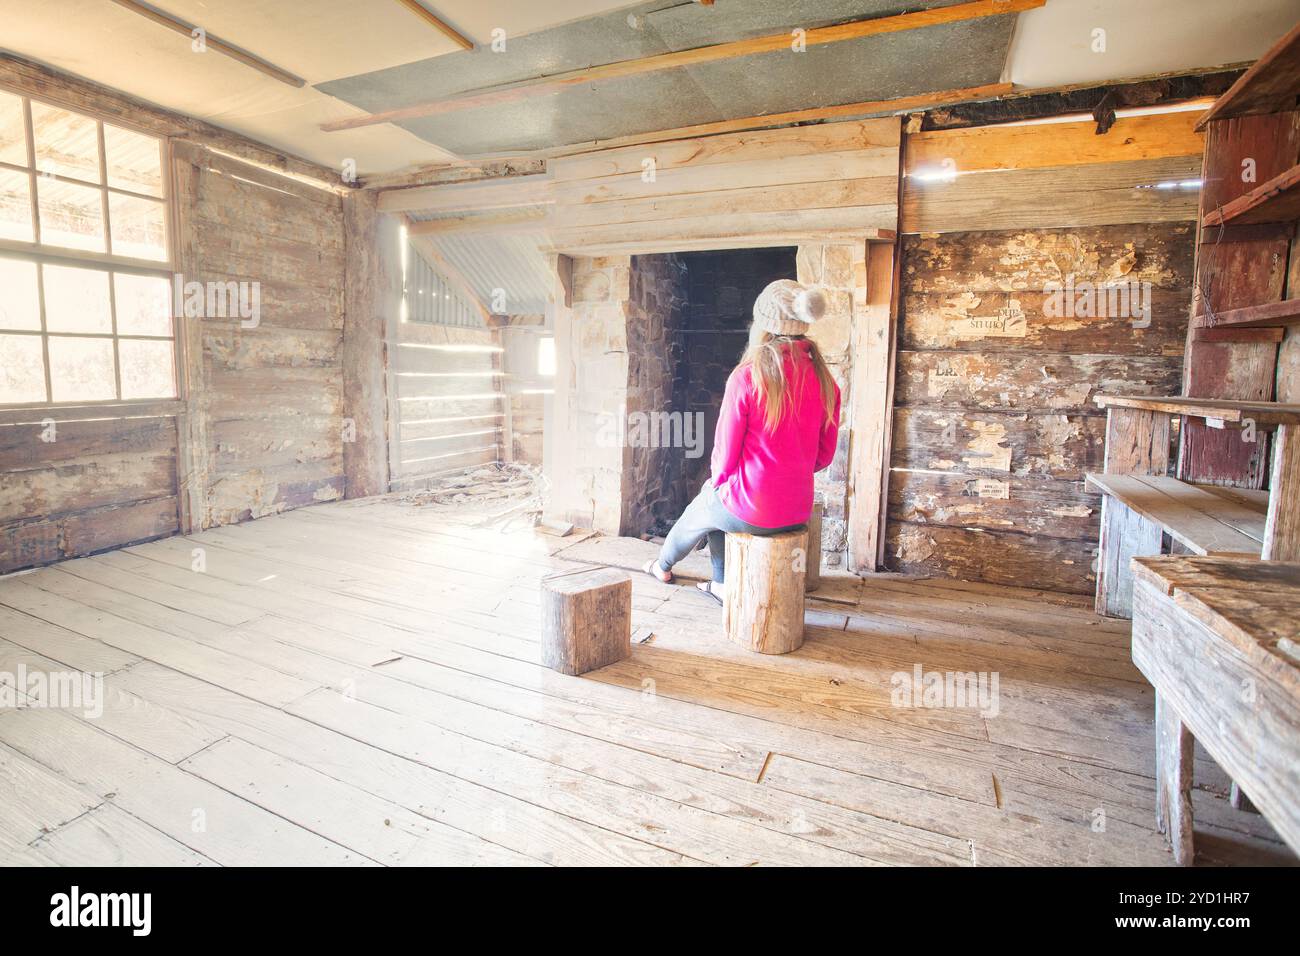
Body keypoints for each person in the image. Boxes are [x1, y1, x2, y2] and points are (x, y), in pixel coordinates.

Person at [643, 279, 841, 603]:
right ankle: (720, 584)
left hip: (753, 507)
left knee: (704, 507)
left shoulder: (748, 376)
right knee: (717, 507)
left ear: (763, 324)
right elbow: (824, 456)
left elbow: (724, 453)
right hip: (797, 508)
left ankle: (662, 565)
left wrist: (717, 484)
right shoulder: (825, 380)